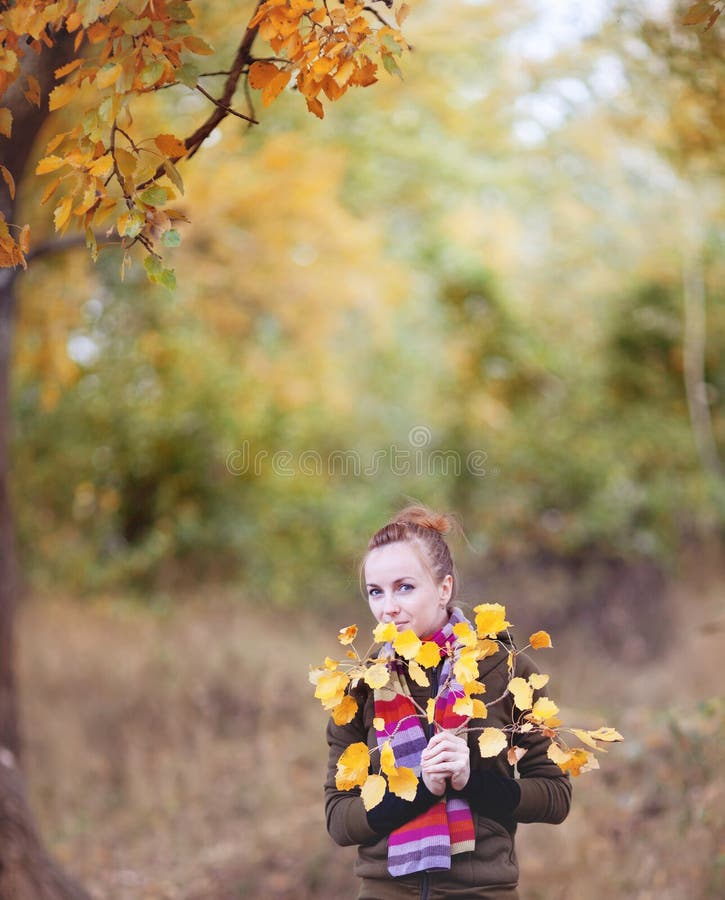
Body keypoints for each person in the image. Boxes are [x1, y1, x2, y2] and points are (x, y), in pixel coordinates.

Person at [324, 505, 572, 899]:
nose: (388, 607)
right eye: (376, 591)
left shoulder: (505, 670)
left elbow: (555, 797)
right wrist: (422, 788)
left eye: (405, 587)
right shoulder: (360, 686)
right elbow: (339, 819)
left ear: (444, 589)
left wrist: (471, 780)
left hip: (482, 890)